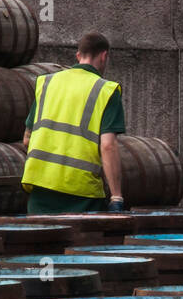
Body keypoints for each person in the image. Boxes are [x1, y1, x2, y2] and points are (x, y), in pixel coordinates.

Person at [20, 31, 127, 213]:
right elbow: (108, 146)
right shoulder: (106, 90)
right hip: (80, 193)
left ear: (78, 55)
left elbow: (27, 139)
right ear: (104, 56)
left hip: (40, 187)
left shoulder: (46, 83)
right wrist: (116, 196)